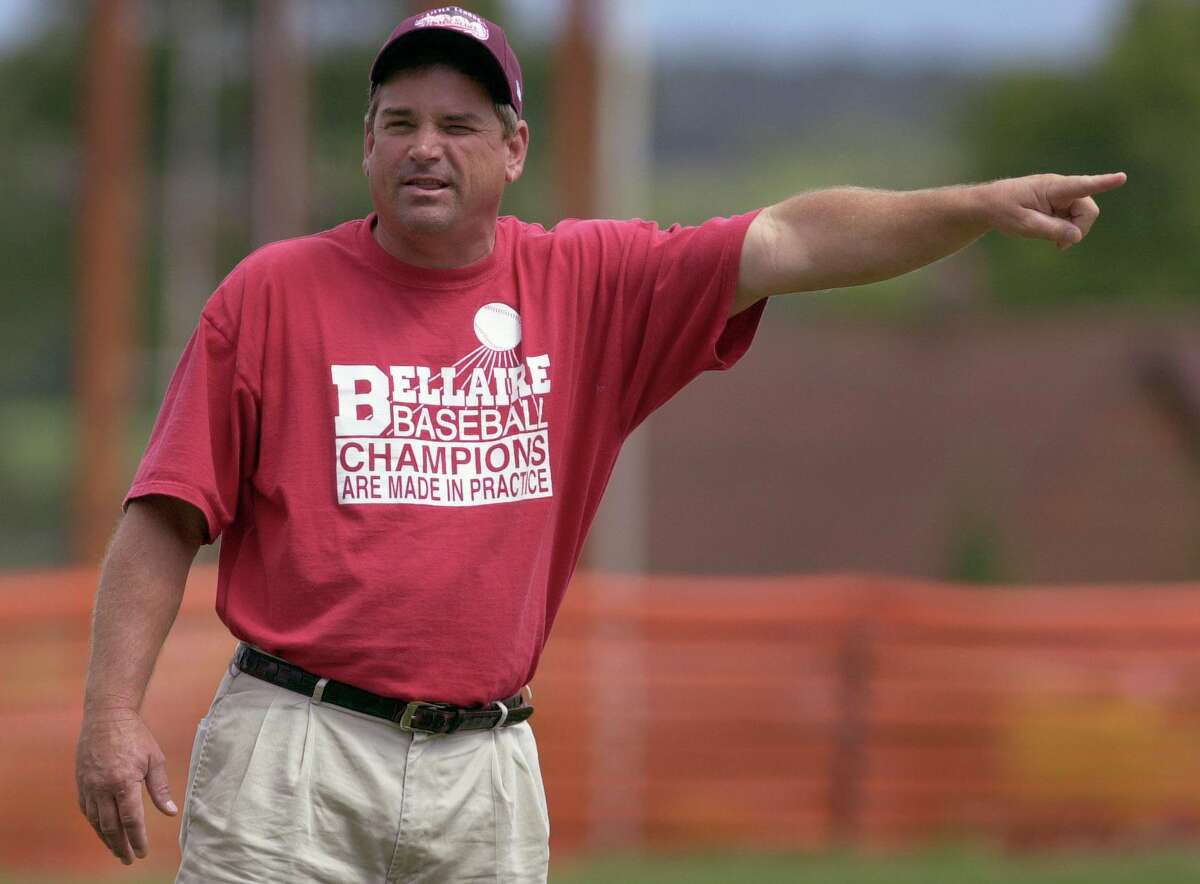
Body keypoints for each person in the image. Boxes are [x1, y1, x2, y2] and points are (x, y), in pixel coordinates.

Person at [73, 5, 1127, 882]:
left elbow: (792, 238)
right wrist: (112, 712)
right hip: (295, 752)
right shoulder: (271, 295)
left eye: (458, 124)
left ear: (514, 149)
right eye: (400, 122)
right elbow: (165, 515)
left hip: (483, 766)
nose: (425, 147)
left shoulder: (589, 286)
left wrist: (972, 207)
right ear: (368, 144)